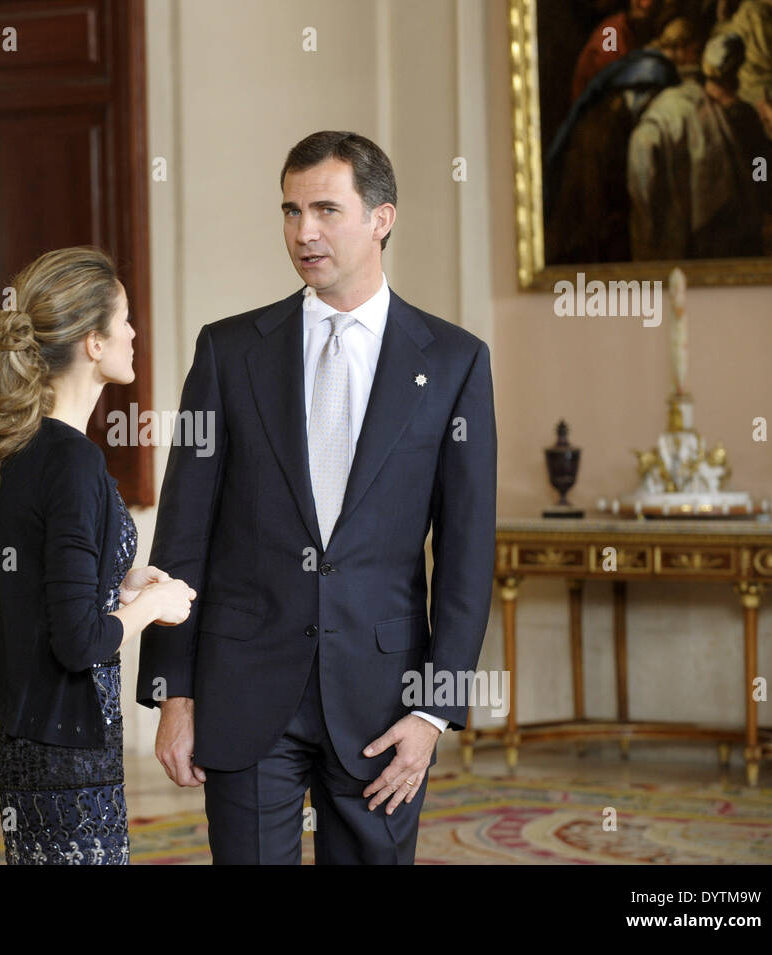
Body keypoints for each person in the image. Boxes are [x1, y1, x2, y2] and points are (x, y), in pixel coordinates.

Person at [137, 132, 497, 865]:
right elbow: (183, 535)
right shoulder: (228, 351)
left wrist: (434, 710)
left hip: (384, 704)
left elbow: (466, 555)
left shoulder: (455, 362)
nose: (304, 232)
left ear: (382, 218)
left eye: (326, 210)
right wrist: (174, 690)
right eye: (291, 211)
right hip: (241, 693)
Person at [0, 246, 195, 865]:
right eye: (124, 320)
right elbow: (79, 645)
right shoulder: (74, 461)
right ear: (93, 342)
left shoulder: (16, 446)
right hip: (68, 752)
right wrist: (154, 605)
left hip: (18, 740)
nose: (135, 333)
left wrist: (113, 584)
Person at [627, 31, 772, 258]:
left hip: (684, 243)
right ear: (738, 71)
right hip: (732, 245)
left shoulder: (677, 106)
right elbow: (763, 183)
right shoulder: (744, 120)